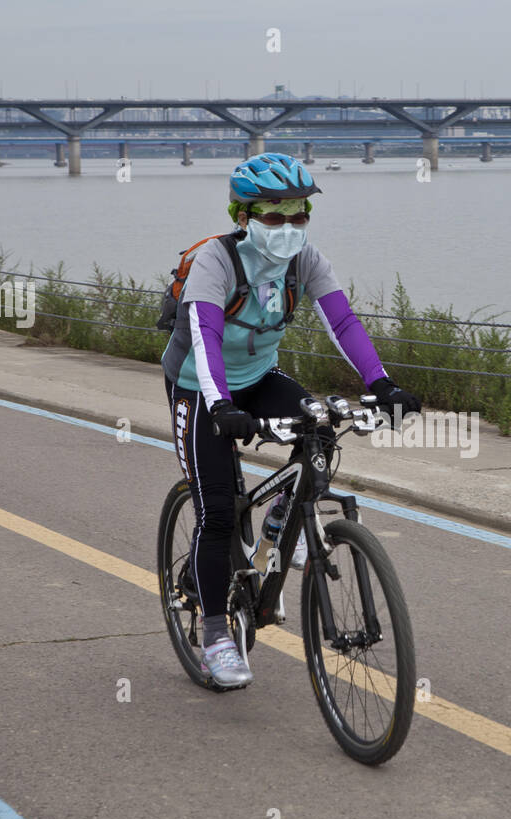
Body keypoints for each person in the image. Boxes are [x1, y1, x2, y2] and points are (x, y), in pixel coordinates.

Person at [161, 152, 420, 689]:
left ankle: (285, 517)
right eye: (274, 217)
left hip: (259, 377)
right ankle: (215, 635)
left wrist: (382, 384)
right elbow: (205, 338)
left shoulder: (305, 260)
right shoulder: (216, 261)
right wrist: (221, 407)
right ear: (244, 216)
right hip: (199, 386)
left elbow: (342, 320)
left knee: (321, 429)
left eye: (299, 215)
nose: (289, 228)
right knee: (217, 514)